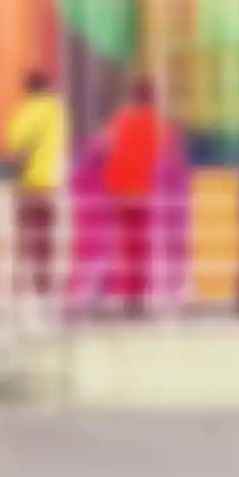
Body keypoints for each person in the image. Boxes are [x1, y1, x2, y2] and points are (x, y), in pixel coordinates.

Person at [98, 78, 175, 318]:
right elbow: (165, 153)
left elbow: (104, 146)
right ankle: (138, 298)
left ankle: (123, 293)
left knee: (124, 245)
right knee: (141, 247)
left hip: (118, 189)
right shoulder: (158, 124)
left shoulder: (121, 119)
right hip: (141, 191)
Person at [5, 71, 68, 297]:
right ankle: (44, 284)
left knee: (24, 236)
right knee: (45, 239)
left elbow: (14, 142)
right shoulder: (57, 111)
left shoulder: (29, 109)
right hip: (51, 183)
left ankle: (20, 284)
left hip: (29, 182)